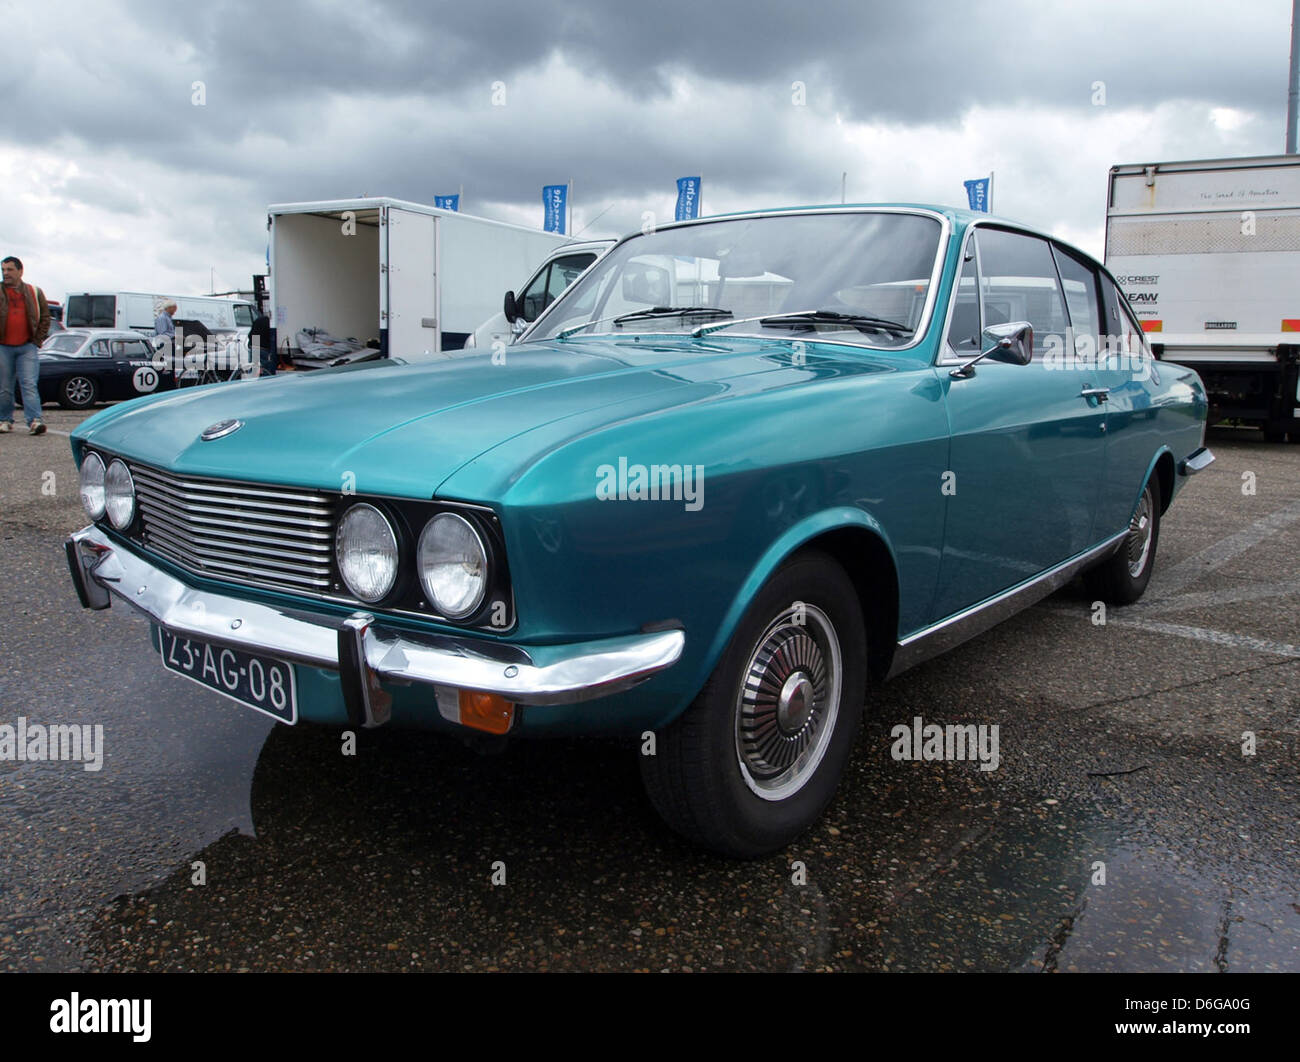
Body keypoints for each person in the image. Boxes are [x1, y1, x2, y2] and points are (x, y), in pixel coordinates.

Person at [0, 255, 50, 435]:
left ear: (20, 271)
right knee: (4, 387)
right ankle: (4, 420)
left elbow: (45, 317)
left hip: (27, 346)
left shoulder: (33, 292)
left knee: (28, 384)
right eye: (3, 270)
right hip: (3, 347)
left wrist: (37, 340)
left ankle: (35, 421)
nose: (6, 273)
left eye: (10, 270)